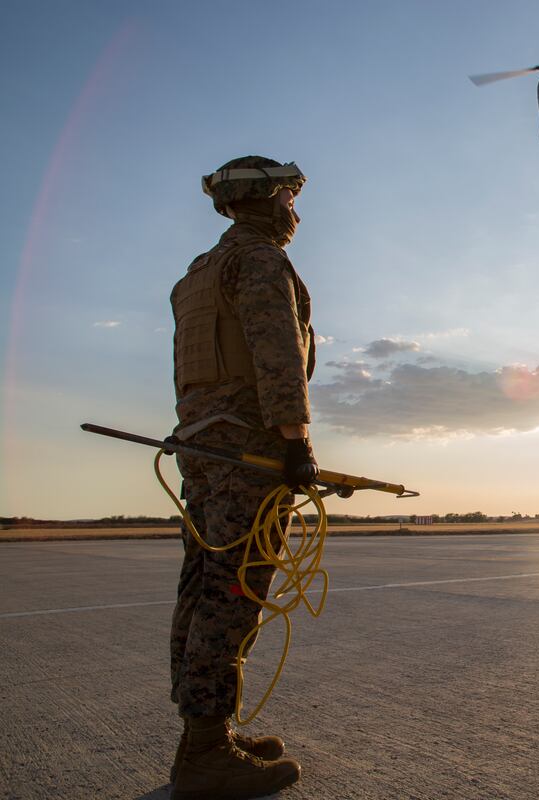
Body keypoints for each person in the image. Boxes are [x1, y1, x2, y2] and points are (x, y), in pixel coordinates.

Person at [168, 155, 319, 799]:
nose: (296, 209)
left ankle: (208, 731)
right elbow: (275, 348)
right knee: (235, 593)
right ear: (266, 201)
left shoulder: (197, 273)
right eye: (289, 197)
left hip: (202, 447)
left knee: (204, 587)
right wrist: (296, 442)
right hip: (247, 450)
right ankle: (204, 752)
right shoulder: (257, 259)